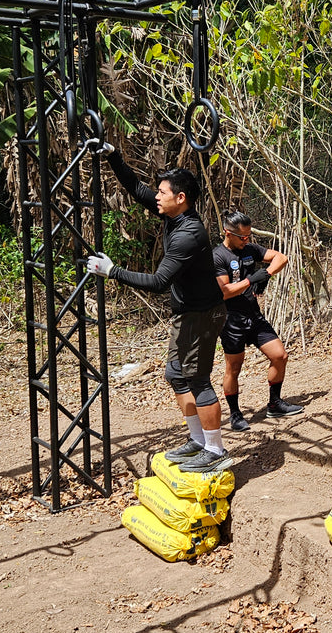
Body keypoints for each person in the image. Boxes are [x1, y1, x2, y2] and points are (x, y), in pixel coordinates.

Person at [86, 150, 231, 473]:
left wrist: (113, 271)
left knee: (196, 378)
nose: (157, 197)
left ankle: (216, 449)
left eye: (163, 193)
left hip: (202, 314)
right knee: (175, 374)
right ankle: (198, 441)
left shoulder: (187, 235)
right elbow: (137, 190)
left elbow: (159, 282)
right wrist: (114, 157)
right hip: (186, 313)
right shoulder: (172, 215)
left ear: (181, 198)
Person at [213, 210, 303, 431]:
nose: (247, 241)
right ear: (227, 233)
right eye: (242, 237)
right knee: (234, 368)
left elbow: (281, 257)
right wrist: (251, 279)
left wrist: (267, 274)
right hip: (230, 320)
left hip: (254, 315)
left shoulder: (250, 250)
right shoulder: (218, 256)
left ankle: (274, 403)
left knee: (280, 355)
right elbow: (224, 291)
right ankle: (235, 414)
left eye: (249, 236)